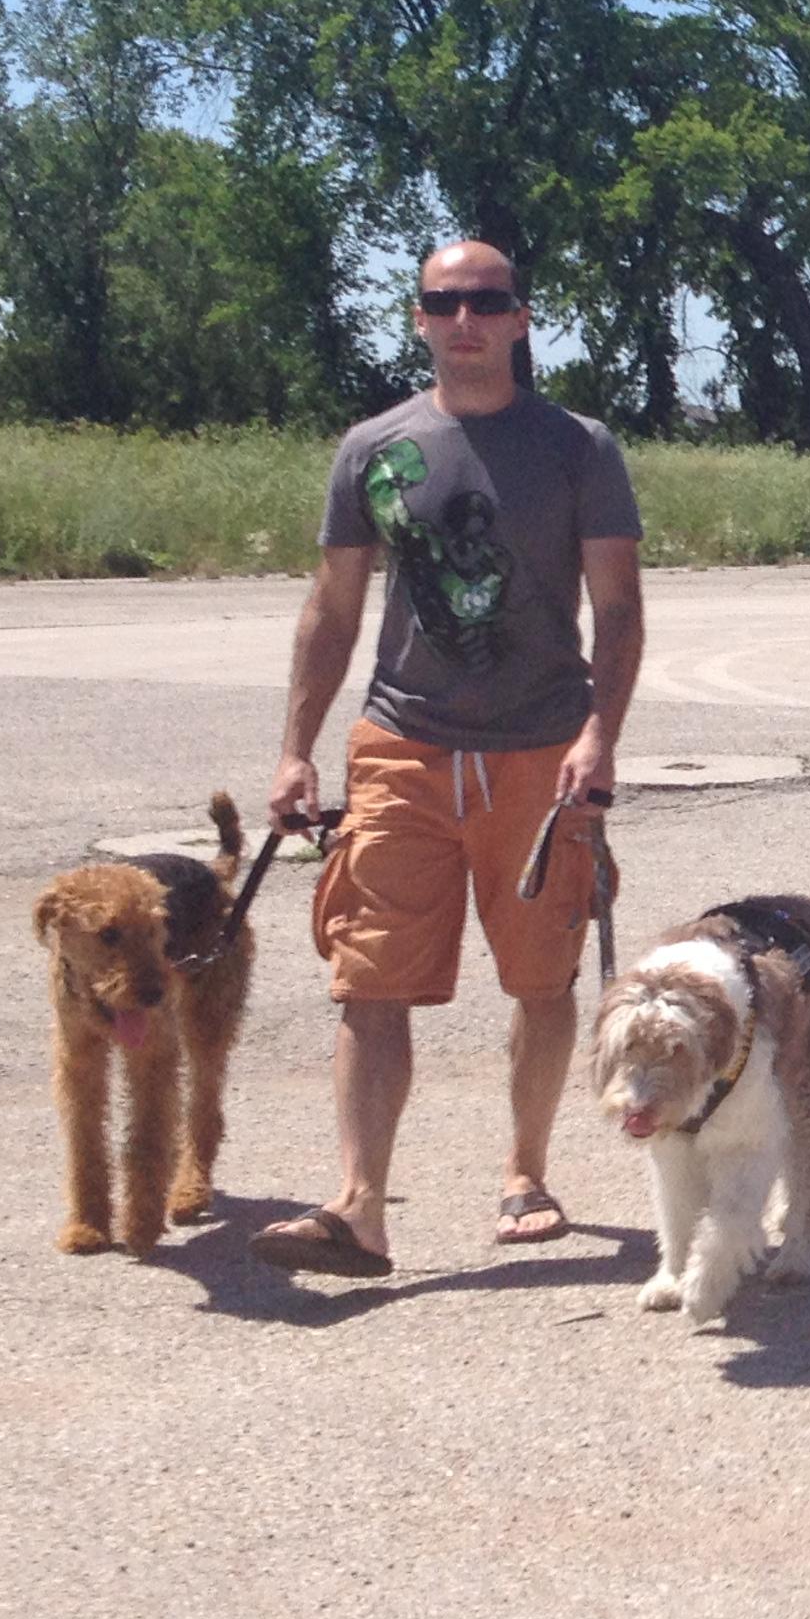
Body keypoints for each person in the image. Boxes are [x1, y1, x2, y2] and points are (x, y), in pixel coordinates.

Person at [252, 241, 644, 1277]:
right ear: (419, 318)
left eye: (485, 301)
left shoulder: (578, 448)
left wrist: (601, 735)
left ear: (520, 318)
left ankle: (525, 1171)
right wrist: (295, 749)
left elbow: (617, 607)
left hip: (540, 750)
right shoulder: (373, 448)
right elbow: (332, 608)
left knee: (542, 976)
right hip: (402, 746)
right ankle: (359, 1208)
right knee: (368, 980)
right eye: (443, 302)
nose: (463, 317)